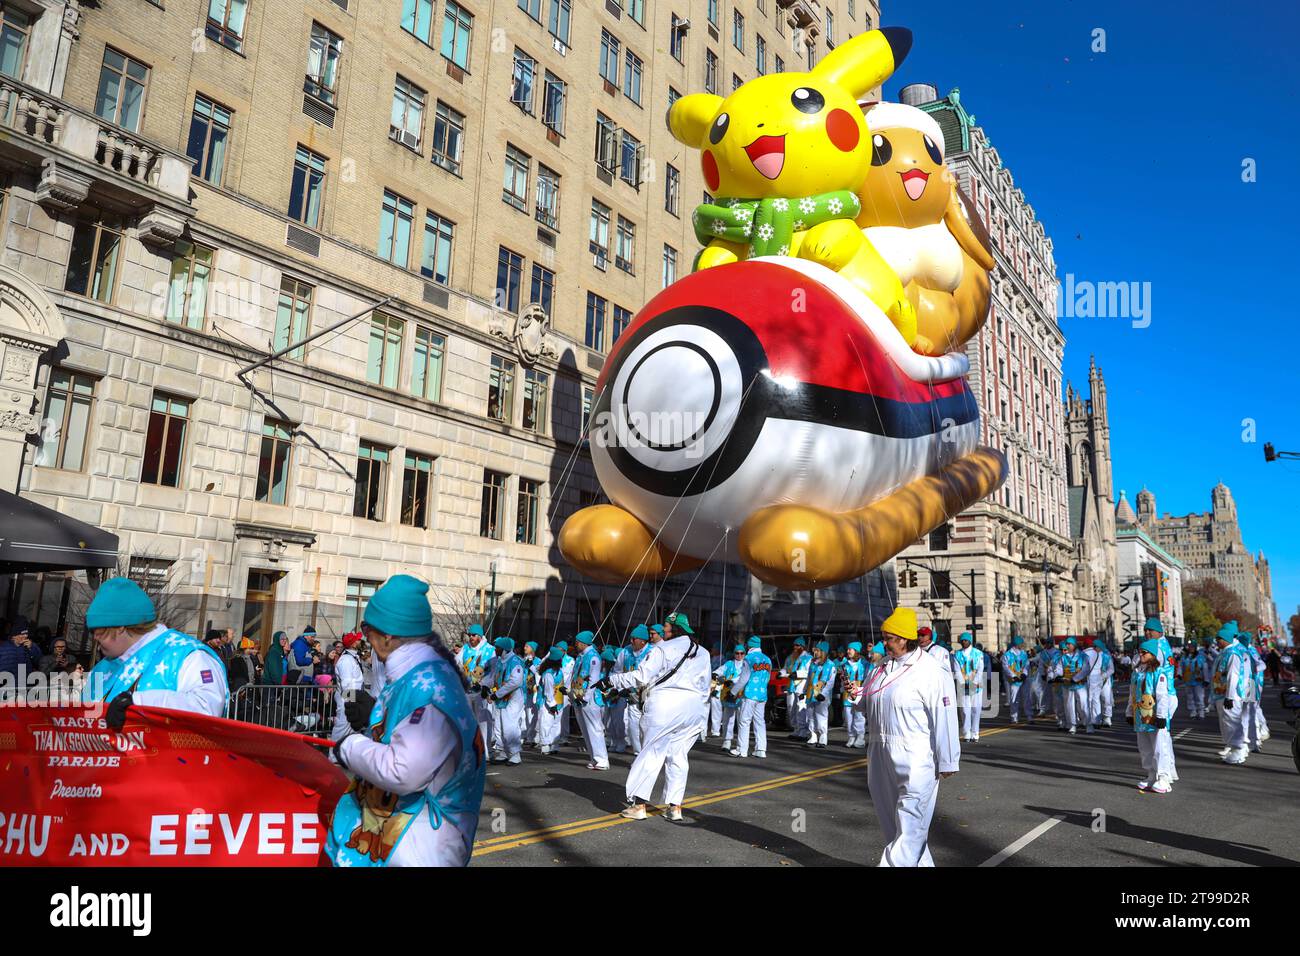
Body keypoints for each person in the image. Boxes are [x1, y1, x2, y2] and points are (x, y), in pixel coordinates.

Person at [328, 574, 485, 867]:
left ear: (388, 635)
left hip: (420, 846)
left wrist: (349, 745)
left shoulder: (431, 688)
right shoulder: (421, 677)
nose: (366, 640)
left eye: (368, 630)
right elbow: (412, 730)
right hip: (414, 838)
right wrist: (374, 711)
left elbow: (404, 770)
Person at [857, 607, 960, 867]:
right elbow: (866, 702)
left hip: (916, 756)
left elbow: (945, 717)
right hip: (880, 752)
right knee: (895, 828)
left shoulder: (931, 670)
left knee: (911, 825)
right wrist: (855, 694)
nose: (884, 643)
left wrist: (948, 759)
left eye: (888, 638)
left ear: (904, 638)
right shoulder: (880, 667)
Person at [603, 612, 711, 822]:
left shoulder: (663, 648)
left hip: (666, 705)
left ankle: (639, 806)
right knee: (678, 756)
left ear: (673, 629)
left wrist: (612, 681)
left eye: (665, 628)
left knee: (651, 752)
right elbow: (705, 686)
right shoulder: (703, 652)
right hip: (694, 708)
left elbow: (641, 675)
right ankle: (675, 807)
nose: (662, 632)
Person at [82, 578, 229, 728]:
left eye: (99, 631)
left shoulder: (187, 655)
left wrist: (139, 703)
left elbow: (208, 707)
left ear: (120, 627)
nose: (95, 638)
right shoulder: (103, 667)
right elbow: (82, 716)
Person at [1126, 638, 1177, 793]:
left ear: (1153, 655)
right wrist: (1129, 712)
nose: (1140, 655)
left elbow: (1162, 696)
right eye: (1139, 652)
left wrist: (1161, 716)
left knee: (1159, 747)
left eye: (1144, 652)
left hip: (1155, 717)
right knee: (1145, 747)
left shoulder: (1158, 673)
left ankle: (1164, 777)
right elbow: (1132, 694)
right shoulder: (1137, 673)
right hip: (1140, 717)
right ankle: (1151, 774)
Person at [1210, 622, 1252, 765]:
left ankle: (1238, 749)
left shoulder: (1233, 654)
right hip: (1222, 694)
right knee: (1227, 722)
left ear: (1226, 639)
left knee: (1233, 721)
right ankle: (1234, 748)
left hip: (1231, 695)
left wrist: (1230, 696)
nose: (1217, 642)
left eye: (1219, 639)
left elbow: (1233, 676)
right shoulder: (1225, 653)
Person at [568, 630, 609, 770]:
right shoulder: (581, 656)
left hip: (590, 698)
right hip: (578, 696)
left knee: (594, 728)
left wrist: (585, 697)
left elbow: (594, 680)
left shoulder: (593, 657)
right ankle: (594, 758)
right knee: (585, 730)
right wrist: (572, 694)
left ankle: (602, 759)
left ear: (583, 643)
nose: (576, 644)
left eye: (577, 642)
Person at [486, 637, 526, 765]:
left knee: (510, 726)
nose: (495, 650)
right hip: (500, 698)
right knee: (498, 726)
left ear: (505, 650)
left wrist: (497, 694)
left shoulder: (515, 661)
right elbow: (495, 677)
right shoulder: (500, 661)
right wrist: (485, 686)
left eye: (497, 648)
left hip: (513, 698)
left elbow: (516, 681)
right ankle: (503, 751)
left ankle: (515, 754)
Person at [730, 636, 771, 759]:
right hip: (762, 694)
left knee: (744, 721)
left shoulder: (749, 658)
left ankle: (741, 750)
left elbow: (744, 678)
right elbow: (767, 678)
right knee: (760, 722)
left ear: (749, 646)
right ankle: (761, 749)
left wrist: (733, 692)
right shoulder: (768, 659)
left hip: (749, 694)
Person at [459, 624, 495, 749]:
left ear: (480, 636)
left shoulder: (490, 649)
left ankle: (485, 749)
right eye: (469, 635)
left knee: (483, 721)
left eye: (473, 635)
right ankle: (471, 749)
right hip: (467, 690)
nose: (471, 637)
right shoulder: (465, 649)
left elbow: (493, 670)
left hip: (481, 691)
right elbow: (456, 664)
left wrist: (486, 685)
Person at [619, 625, 653, 753]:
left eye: (634, 639)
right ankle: (638, 753)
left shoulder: (652, 652)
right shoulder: (625, 652)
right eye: (631, 638)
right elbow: (617, 670)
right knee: (633, 725)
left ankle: (648, 753)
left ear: (643, 641)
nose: (631, 641)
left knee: (648, 725)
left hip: (649, 694)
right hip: (631, 695)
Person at [330, 631, 366, 742]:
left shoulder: (353, 658)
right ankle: (332, 756)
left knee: (353, 731)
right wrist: (351, 704)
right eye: (358, 639)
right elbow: (347, 685)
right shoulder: (346, 660)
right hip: (348, 701)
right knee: (341, 730)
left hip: (353, 700)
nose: (360, 641)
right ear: (353, 644)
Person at [1053, 637, 1090, 734]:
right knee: (1069, 706)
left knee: (1082, 705)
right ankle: (1072, 725)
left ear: (1074, 645)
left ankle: (1087, 724)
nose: (1067, 646)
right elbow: (1059, 668)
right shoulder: (1063, 657)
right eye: (1067, 644)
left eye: (1069, 644)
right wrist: (1058, 676)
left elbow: (1086, 669)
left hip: (1080, 685)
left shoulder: (1083, 656)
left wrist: (1075, 678)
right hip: (1067, 685)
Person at [804, 640, 837, 748]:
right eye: (815, 650)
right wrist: (804, 691)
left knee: (821, 715)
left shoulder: (831, 665)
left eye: (818, 650)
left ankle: (823, 737)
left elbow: (831, 682)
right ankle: (813, 735)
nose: (815, 652)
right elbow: (809, 679)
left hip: (822, 695)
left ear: (823, 652)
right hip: (811, 693)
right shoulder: (813, 663)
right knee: (810, 715)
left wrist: (823, 693)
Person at [536, 646, 568, 755]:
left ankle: (554, 745)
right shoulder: (548, 674)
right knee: (546, 723)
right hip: (547, 703)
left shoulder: (559, 671)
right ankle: (545, 746)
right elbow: (548, 692)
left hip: (558, 702)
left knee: (556, 724)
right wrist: (552, 705)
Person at [952, 632, 983, 742]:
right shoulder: (957, 655)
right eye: (962, 640)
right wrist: (963, 683)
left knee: (976, 709)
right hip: (963, 686)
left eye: (966, 640)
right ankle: (966, 733)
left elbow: (980, 670)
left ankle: (975, 732)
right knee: (965, 710)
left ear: (970, 641)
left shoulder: (978, 653)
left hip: (976, 686)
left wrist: (974, 683)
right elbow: (957, 670)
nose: (964, 642)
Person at [713, 644, 745, 750]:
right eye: (737, 653)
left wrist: (733, 681)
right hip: (728, 694)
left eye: (742, 653)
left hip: (741, 695)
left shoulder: (746, 664)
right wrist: (715, 674)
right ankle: (727, 741)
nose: (739, 655)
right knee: (728, 719)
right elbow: (720, 670)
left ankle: (741, 744)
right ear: (734, 653)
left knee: (741, 720)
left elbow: (744, 678)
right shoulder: (729, 664)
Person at [782, 636, 813, 741]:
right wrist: (780, 673)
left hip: (801, 686)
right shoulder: (790, 657)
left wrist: (798, 673)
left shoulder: (808, 658)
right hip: (791, 686)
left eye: (797, 645)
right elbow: (785, 669)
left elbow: (809, 672)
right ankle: (796, 730)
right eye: (794, 645)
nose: (795, 647)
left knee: (800, 708)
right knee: (791, 708)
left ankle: (803, 732)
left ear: (802, 647)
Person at [840, 642, 867, 747]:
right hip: (847, 695)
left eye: (850, 649)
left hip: (859, 695)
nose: (848, 651)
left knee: (859, 716)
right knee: (848, 716)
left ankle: (860, 737)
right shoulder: (844, 665)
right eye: (848, 649)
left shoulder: (864, 664)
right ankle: (851, 736)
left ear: (856, 651)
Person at [1000, 636, 1029, 723]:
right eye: (1021, 643)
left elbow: (1026, 664)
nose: (1022, 645)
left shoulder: (1024, 653)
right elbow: (1005, 667)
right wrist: (1013, 676)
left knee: (1027, 698)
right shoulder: (1007, 655)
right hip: (1014, 680)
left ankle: (1029, 716)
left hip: (1023, 679)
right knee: (1014, 699)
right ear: (1017, 644)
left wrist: (1024, 673)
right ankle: (1014, 717)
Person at [1177, 639, 1208, 720]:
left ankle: (1201, 712)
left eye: (1192, 646)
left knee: (1199, 696)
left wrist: (1206, 679)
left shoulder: (1200, 656)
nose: (1191, 648)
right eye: (1189, 646)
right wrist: (1179, 674)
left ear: (1195, 647)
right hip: (1188, 680)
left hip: (1198, 680)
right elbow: (1180, 666)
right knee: (1190, 697)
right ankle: (1193, 711)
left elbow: (1205, 668)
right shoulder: (1185, 657)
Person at [521, 641, 541, 747]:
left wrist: (531, 665)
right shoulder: (522, 660)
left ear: (532, 649)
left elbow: (539, 674)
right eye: (525, 645)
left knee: (531, 715)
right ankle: (523, 735)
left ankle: (531, 737)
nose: (524, 647)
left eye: (527, 646)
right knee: (522, 715)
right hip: (522, 691)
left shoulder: (538, 661)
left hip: (533, 692)